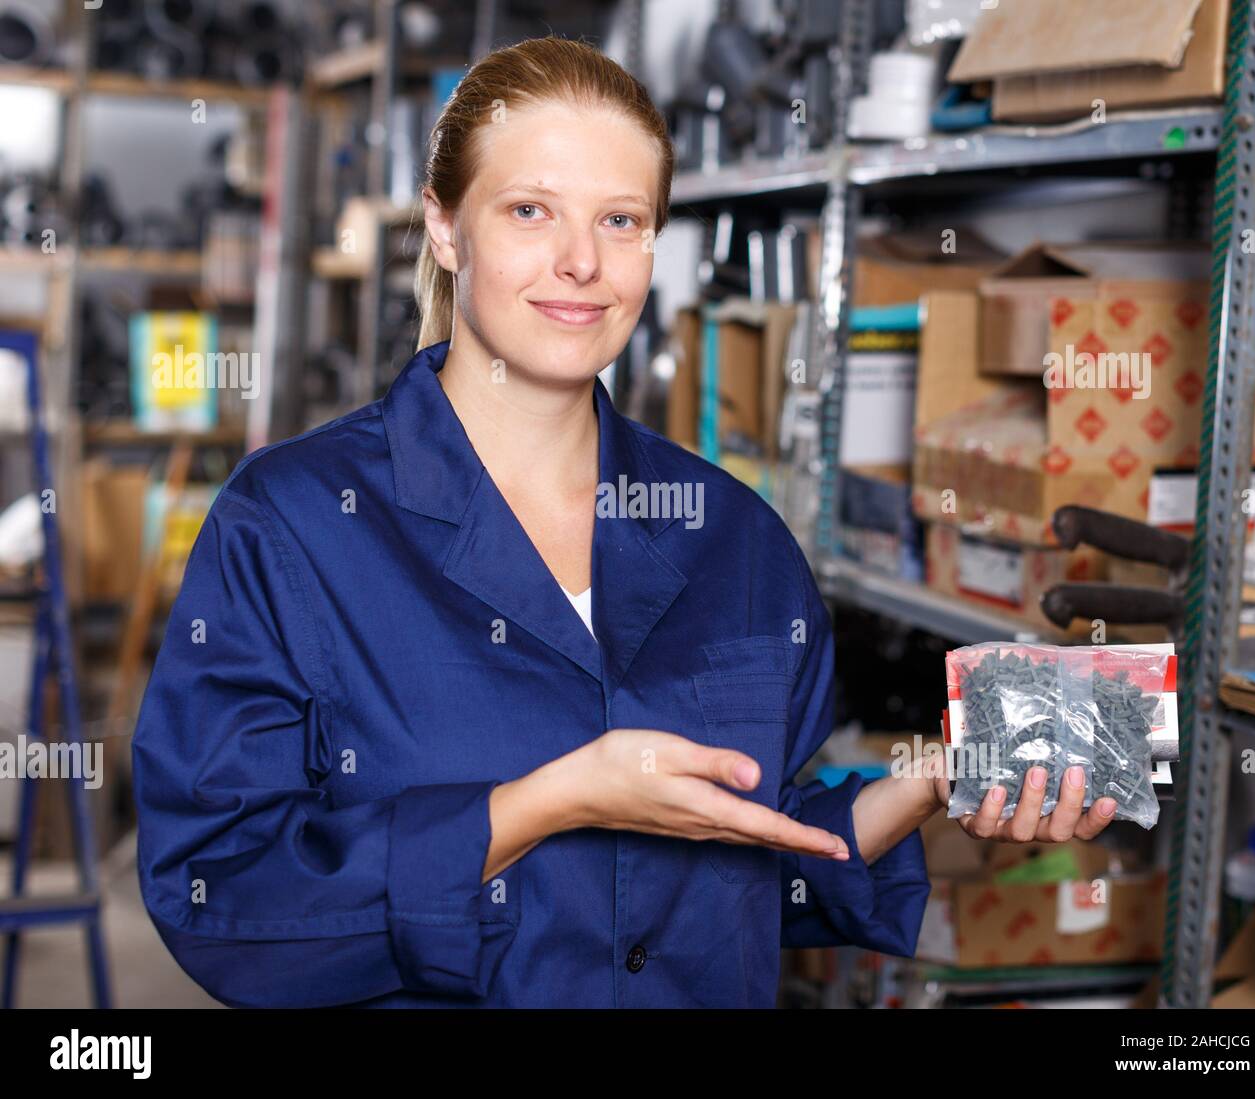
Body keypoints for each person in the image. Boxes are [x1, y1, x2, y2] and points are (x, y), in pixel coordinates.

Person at [132, 36, 1115, 1009]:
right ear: (444, 227)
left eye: (620, 220)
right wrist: (548, 803)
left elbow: (743, 866)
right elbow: (224, 900)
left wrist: (919, 791)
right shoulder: (293, 525)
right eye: (529, 210)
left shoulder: (733, 538)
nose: (580, 263)